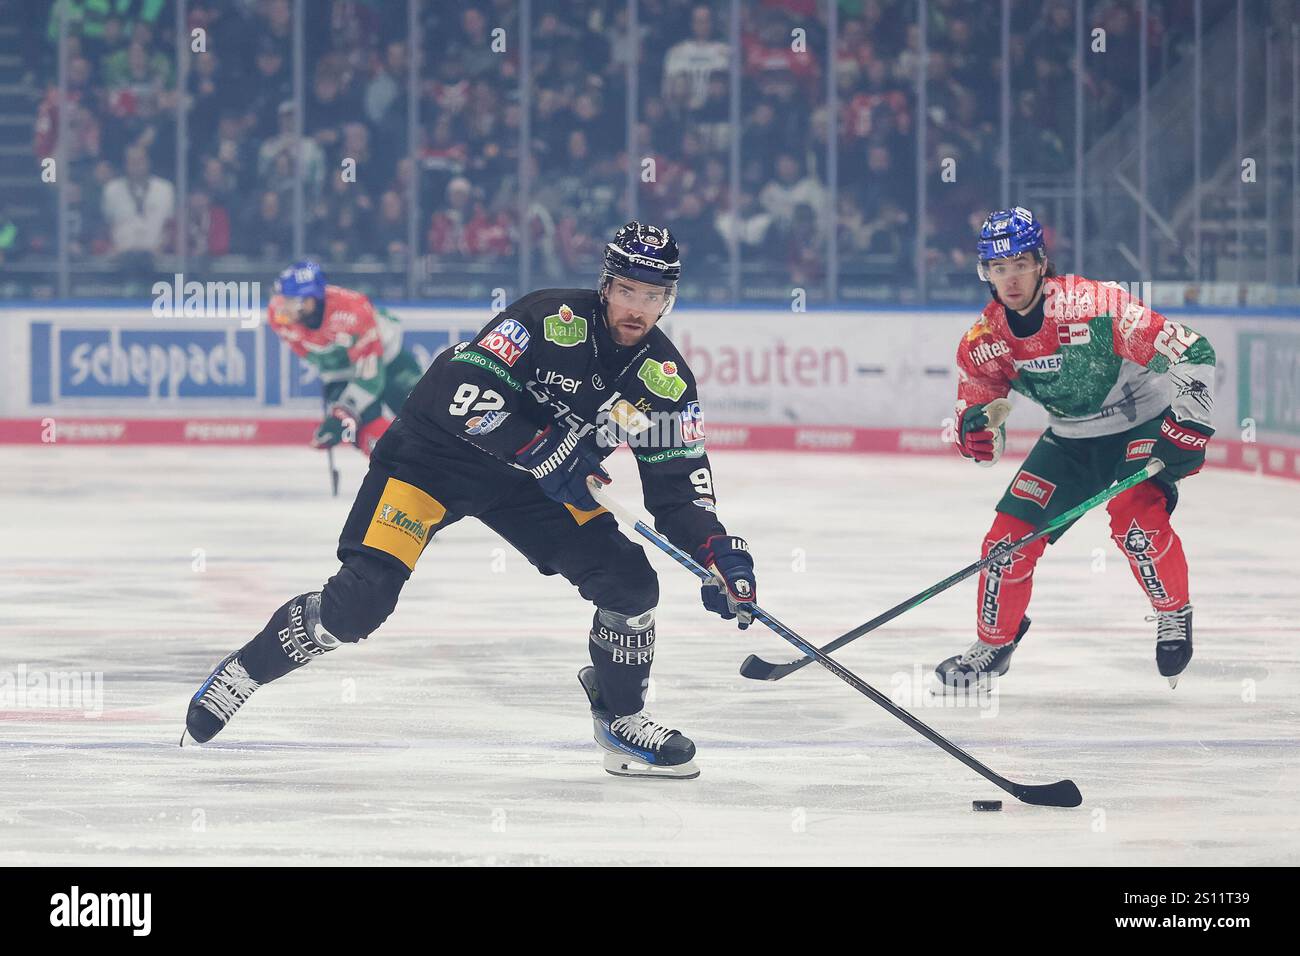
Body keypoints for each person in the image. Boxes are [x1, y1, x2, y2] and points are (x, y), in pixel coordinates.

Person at [183, 223, 759, 779]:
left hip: (531, 488)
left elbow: (679, 490)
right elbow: (461, 389)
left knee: (630, 583)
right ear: (606, 285)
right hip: (435, 459)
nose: (637, 306)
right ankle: (244, 672)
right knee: (359, 604)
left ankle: (620, 716)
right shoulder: (545, 317)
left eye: (652, 295)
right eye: (628, 290)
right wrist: (540, 446)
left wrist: (717, 555)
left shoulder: (664, 381)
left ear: (669, 301)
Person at [940, 207, 1215, 690]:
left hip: (1140, 423)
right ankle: (995, 643)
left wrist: (1189, 423)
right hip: (1069, 439)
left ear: (1041, 263)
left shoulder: (1093, 304)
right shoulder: (985, 340)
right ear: (986, 273)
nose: (1010, 278)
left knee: (1135, 519)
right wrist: (975, 429)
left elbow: (1193, 350)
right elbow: (979, 402)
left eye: (1020, 264)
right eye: (998, 268)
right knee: (1004, 546)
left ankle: (1173, 612)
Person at [267, 260, 422, 455]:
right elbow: (307, 352)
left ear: (310, 300)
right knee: (361, 429)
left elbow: (370, 378)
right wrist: (344, 412)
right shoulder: (278, 316)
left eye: (291, 300)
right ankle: (397, 467)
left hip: (387, 358)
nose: (283, 308)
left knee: (420, 412)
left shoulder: (352, 311)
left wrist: (342, 413)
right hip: (339, 368)